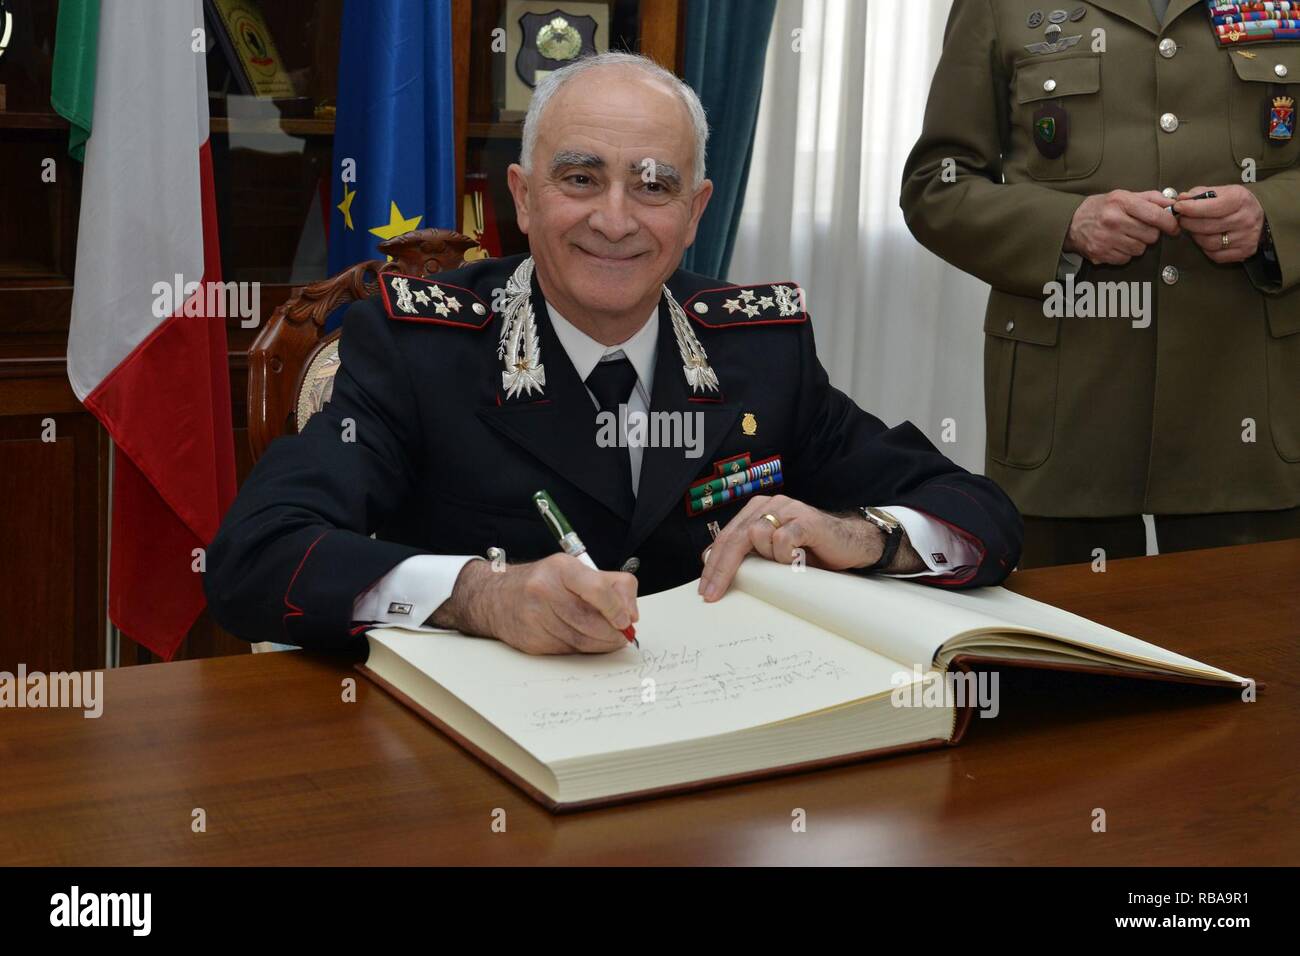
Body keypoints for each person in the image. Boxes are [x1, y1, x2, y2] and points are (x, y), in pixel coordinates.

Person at [205, 52, 1022, 655]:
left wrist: (867, 534)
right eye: (582, 179)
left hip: (710, 744)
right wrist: (479, 596)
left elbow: (979, 512)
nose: (617, 219)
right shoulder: (419, 348)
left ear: (697, 210)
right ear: (523, 198)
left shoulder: (758, 352)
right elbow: (255, 556)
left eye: (655, 184)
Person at [901, 0, 1300, 567]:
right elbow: (934, 186)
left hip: (1251, 409)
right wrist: (1065, 225)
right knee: (1066, 648)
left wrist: (1271, 216)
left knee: (1251, 648)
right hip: (1067, 414)